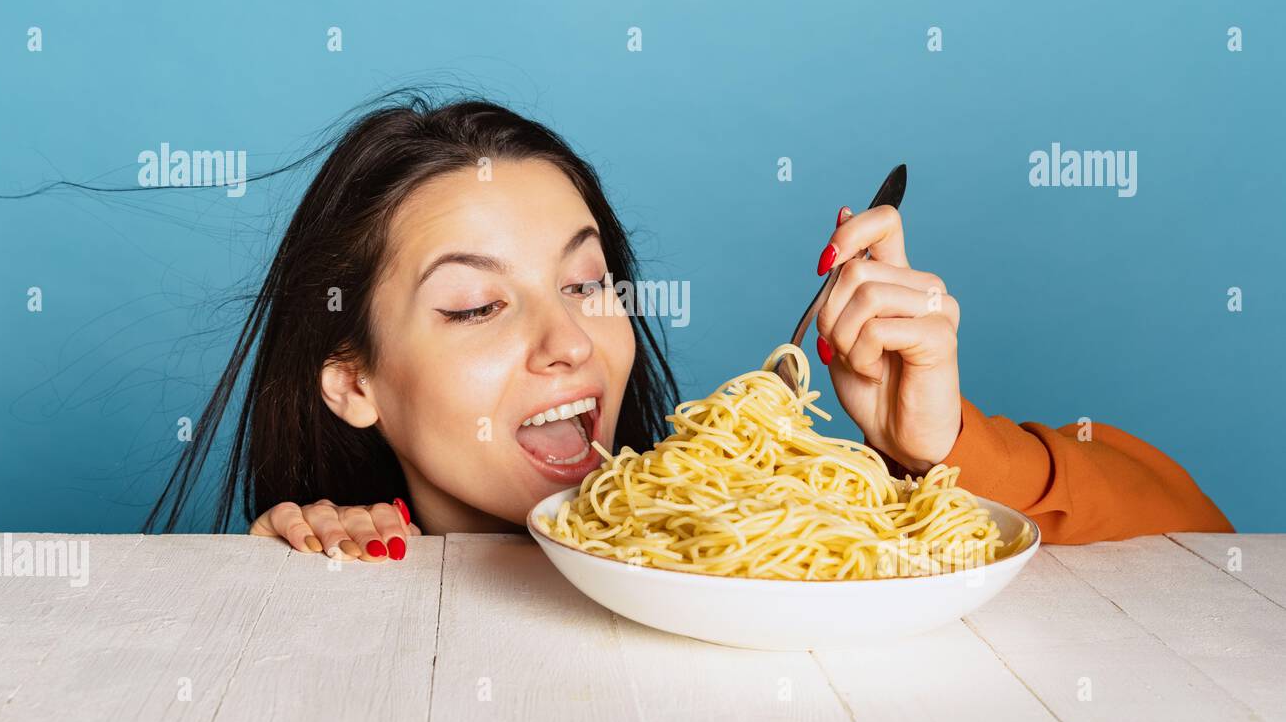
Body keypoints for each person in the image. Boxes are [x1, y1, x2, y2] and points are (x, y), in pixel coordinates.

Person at [146, 93, 1234, 558]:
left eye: (586, 284)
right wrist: (297, 595)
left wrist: (936, 446)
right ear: (351, 379)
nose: (567, 342)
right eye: (477, 304)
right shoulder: (326, 561)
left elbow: (1201, 544)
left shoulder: (752, 534)